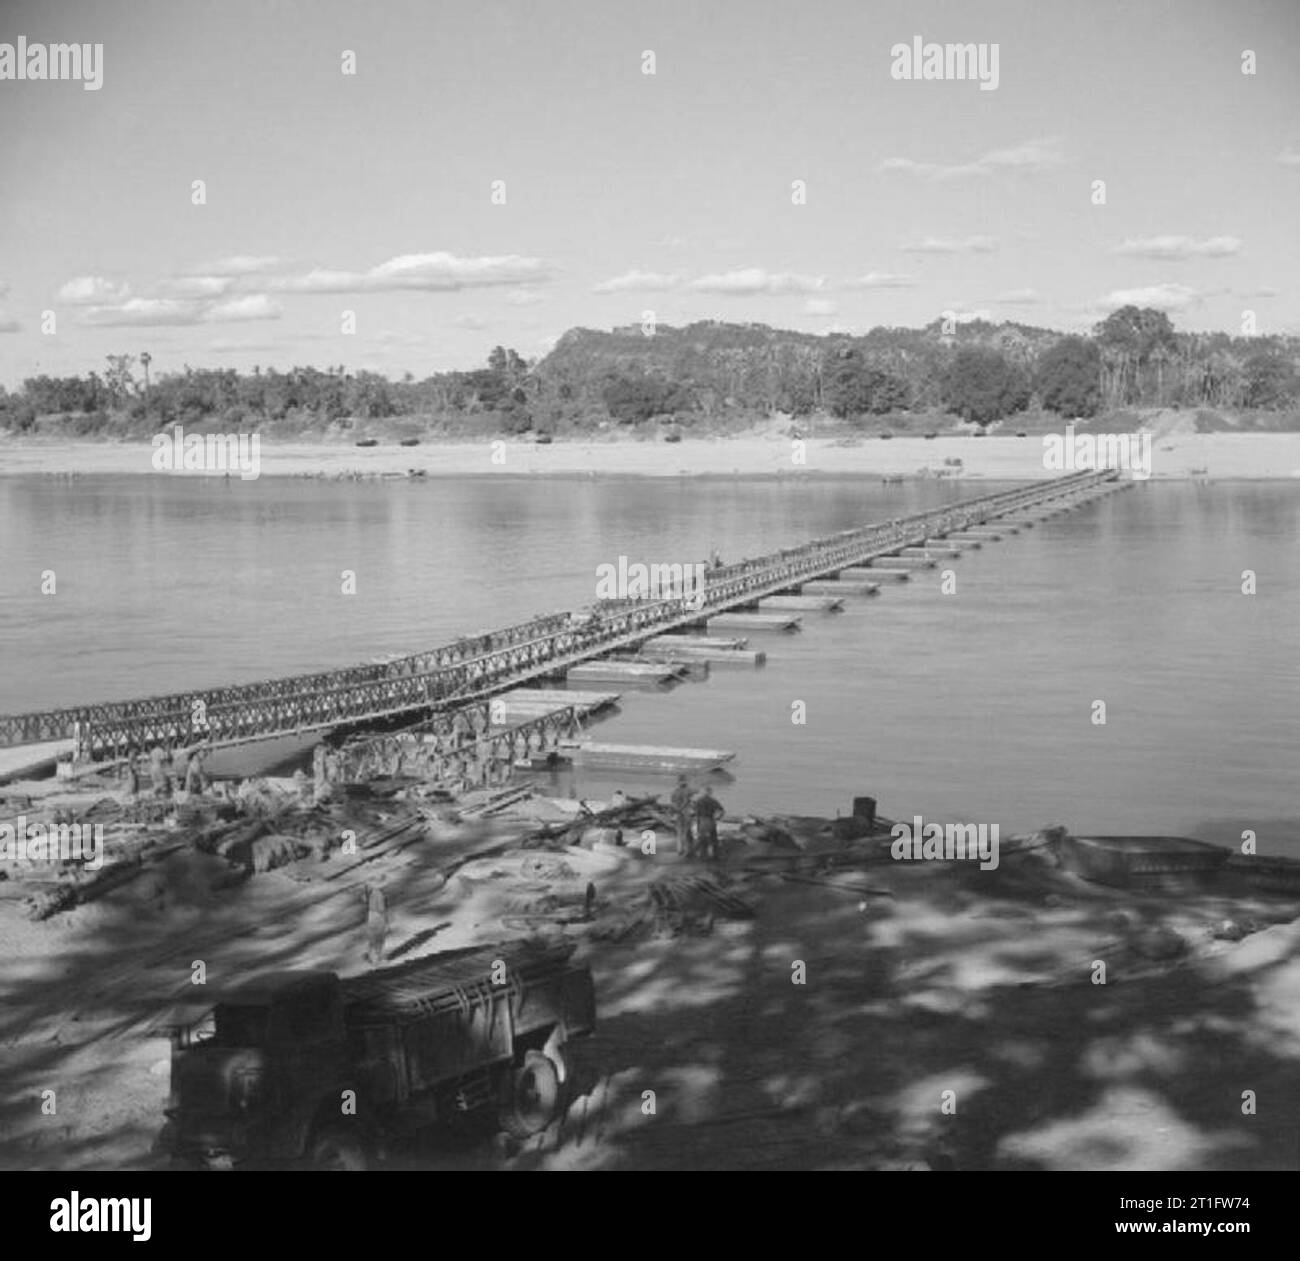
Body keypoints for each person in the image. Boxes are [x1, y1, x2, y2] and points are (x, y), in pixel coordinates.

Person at [692, 785, 725, 862]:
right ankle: (715, 855)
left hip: (702, 820)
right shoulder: (713, 801)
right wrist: (718, 818)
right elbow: (722, 810)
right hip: (711, 820)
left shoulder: (698, 801)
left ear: (703, 792)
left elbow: (693, 811)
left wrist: (696, 818)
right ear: (710, 793)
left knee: (703, 839)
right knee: (714, 839)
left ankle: (703, 856)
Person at [365, 882, 388, 967]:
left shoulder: (370, 892)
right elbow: (381, 909)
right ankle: (377, 960)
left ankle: (369, 955)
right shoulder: (379, 894)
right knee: (379, 938)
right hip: (378, 916)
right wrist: (386, 920)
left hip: (370, 914)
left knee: (372, 937)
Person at [670, 776, 694, 857]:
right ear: (684, 781)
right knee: (686, 832)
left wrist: (676, 811)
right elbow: (687, 800)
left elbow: (673, 803)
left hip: (678, 814)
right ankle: (686, 850)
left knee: (679, 832)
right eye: (685, 781)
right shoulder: (687, 791)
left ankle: (680, 849)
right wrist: (682, 808)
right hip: (685, 813)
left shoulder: (674, 792)